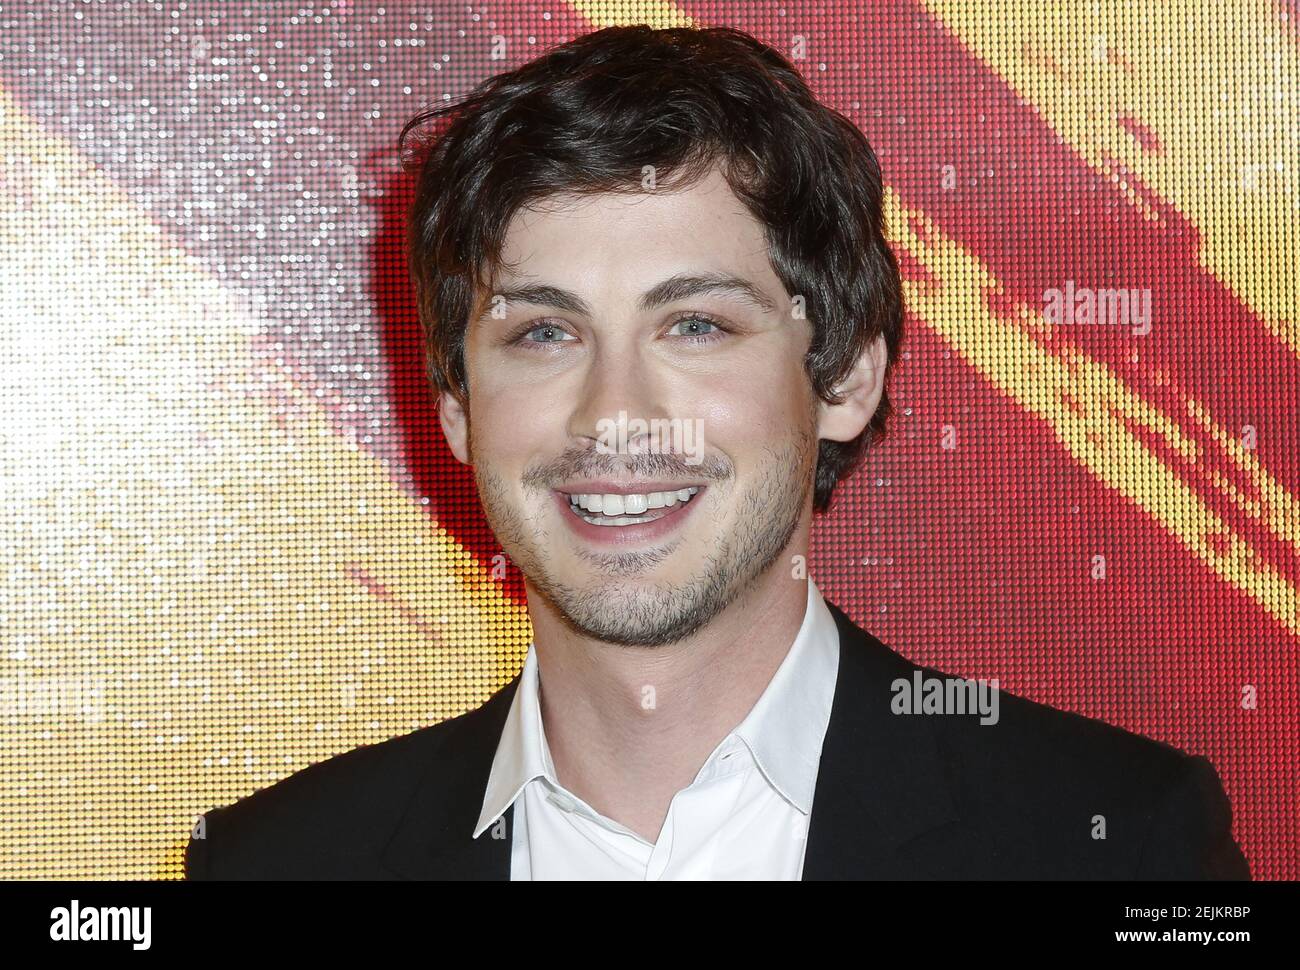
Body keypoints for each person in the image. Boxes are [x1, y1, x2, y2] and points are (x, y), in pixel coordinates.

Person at [185, 24, 1248, 880]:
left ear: (842, 380)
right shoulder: (274, 863)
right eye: (543, 333)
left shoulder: (1114, 842)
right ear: (459, 410)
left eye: (694, 325)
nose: (616, 414)